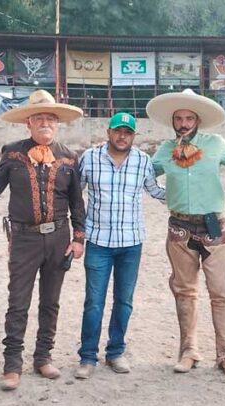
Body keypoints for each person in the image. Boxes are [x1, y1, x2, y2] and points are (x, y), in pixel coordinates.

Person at [0, 90, 85, 391]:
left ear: (57, 123)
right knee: (18, 302)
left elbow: (77, 202)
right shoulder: (12, 152)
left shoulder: (69, 157)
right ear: (29, 122)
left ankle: (43, 357)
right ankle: (12, 365)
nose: (45, 123)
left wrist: (78, 239)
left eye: (50, 118)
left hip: (59, 236)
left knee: (51, 302)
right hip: (24, 238)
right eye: (39, 118)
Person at [147, 89, 225, 378]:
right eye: (179, 118)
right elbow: (141, 174)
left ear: (198, 120)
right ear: (173, 121)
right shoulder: (165, 150)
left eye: (189, 117)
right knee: (184, 290)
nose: (184, 123)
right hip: (179, 227)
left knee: (221, 290)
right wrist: (161, 195)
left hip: (213, 226)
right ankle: (188, 349)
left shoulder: (216, 144)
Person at [74, 112, 166, 379]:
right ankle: (88, 356)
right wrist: (76, 230)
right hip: (98, 242)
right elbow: (75, 195)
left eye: (127, 132)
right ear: (108, 132)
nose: (122, 136)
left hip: (131, 242)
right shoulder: (90, 158)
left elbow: (156, 191)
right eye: (117, 131)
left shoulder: (142, 161)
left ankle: (116, 352)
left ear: (134, 135)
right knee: (94, 302)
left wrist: (187, 190)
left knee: (124, 301)